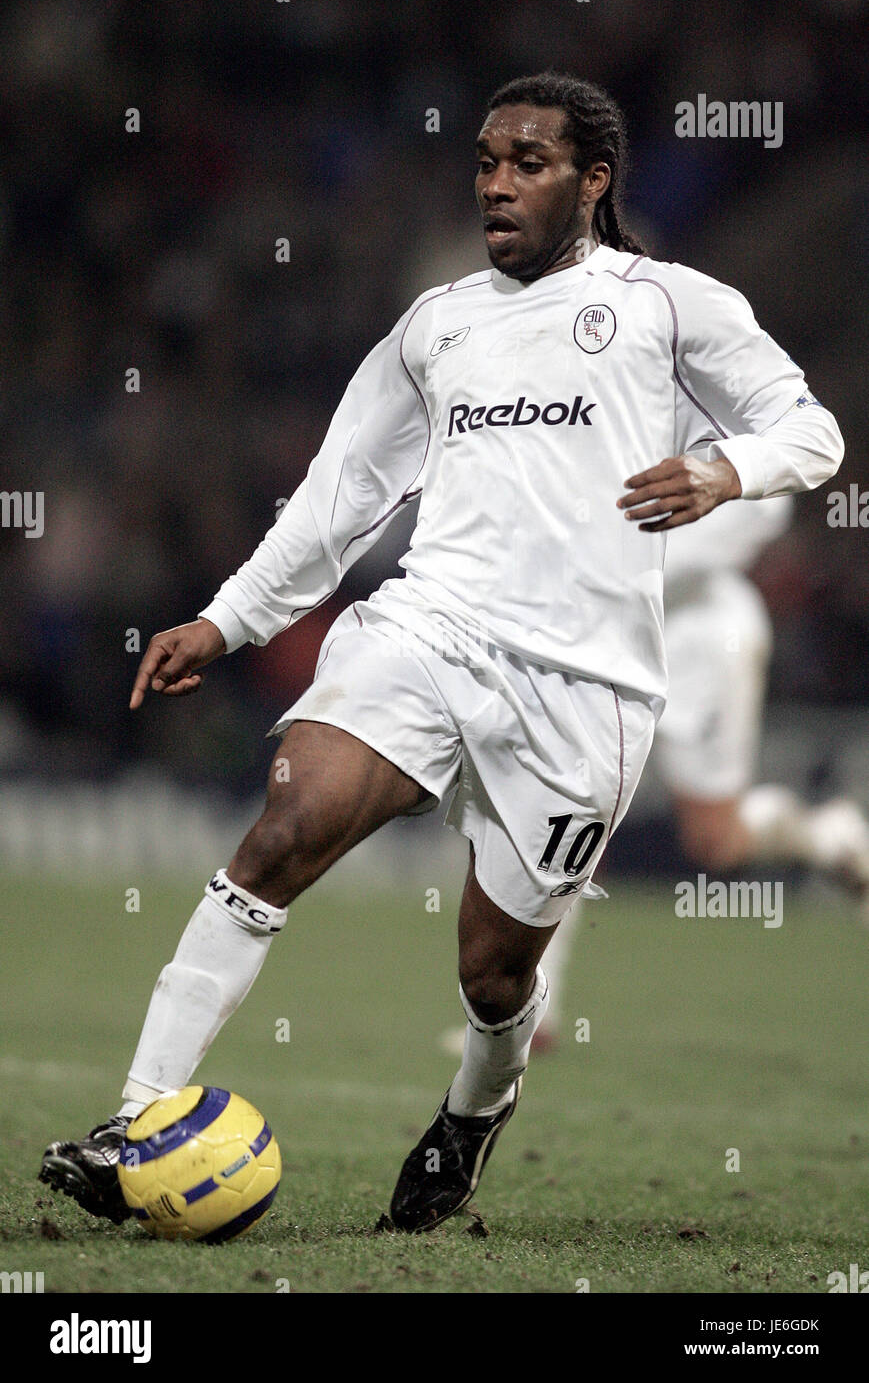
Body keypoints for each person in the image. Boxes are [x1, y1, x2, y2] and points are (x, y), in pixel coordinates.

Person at [40, 72, 844, 1233]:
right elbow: (336, 500)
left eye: (527, 162)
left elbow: (808, 428)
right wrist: (228, 619)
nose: (497, 184)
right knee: (280, 832)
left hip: (586, 686)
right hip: (428, 632)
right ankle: (137, 1116)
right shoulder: (436, 324)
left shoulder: (671, 306)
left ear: (594, 179)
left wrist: (725, 469)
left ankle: (477, 1103)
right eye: (484, 161)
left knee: (494, 976)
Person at [503, 496, 869, 1054]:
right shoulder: (594, 414)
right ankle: (532, 1010)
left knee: (714, 842)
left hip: (699, 634)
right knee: (564, 802)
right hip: (601, 639)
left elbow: (763, 504)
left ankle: (830, 837)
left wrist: (610, 573)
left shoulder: (717, 417)